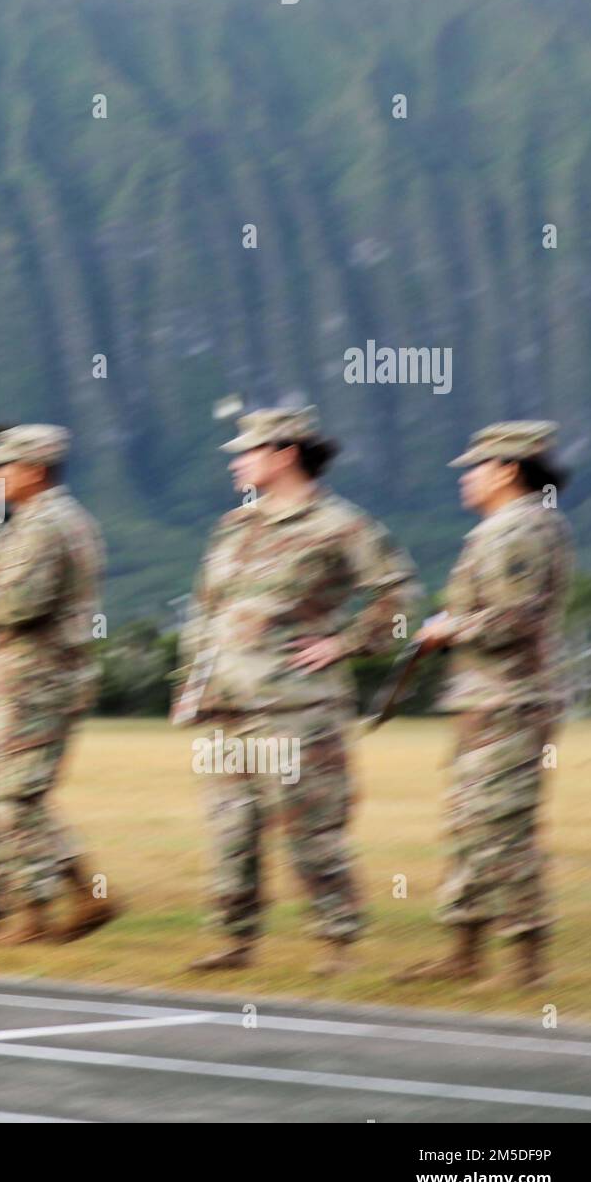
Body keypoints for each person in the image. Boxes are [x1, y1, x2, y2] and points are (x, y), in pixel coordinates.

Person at [179, 407, 418, 975]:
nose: (236, 462)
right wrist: (191, 684)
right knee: (230, 825)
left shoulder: (340, 525)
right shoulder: (234, 526)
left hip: (298, 706)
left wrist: (348, 642)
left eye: (248, 451)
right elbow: (205, 610)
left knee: (311, 826)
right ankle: (234, 941)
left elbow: (399, 596)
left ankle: (338, 942)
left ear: (286, 454)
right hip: (228, 703)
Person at [394, 422, 574, 990]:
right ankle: (464, 954)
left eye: (476, 467)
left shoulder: (520, 531)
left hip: (511, 701)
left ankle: (526, 967)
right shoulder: (506, 527)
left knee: (503, 828)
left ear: (507, 470)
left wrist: (451, 629)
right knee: (471, 826)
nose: (467, 479)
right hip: (489, 699)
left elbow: (515, 619)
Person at [0, 424, 118, 944]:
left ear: (34, 471)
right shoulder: (55, 520)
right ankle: (86, 894)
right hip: (37, 677)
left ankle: (34, 911)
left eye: (4, 466)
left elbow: (23, 602)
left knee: (12, 800)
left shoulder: (44, 525)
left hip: (36, 680)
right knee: (24, 796)